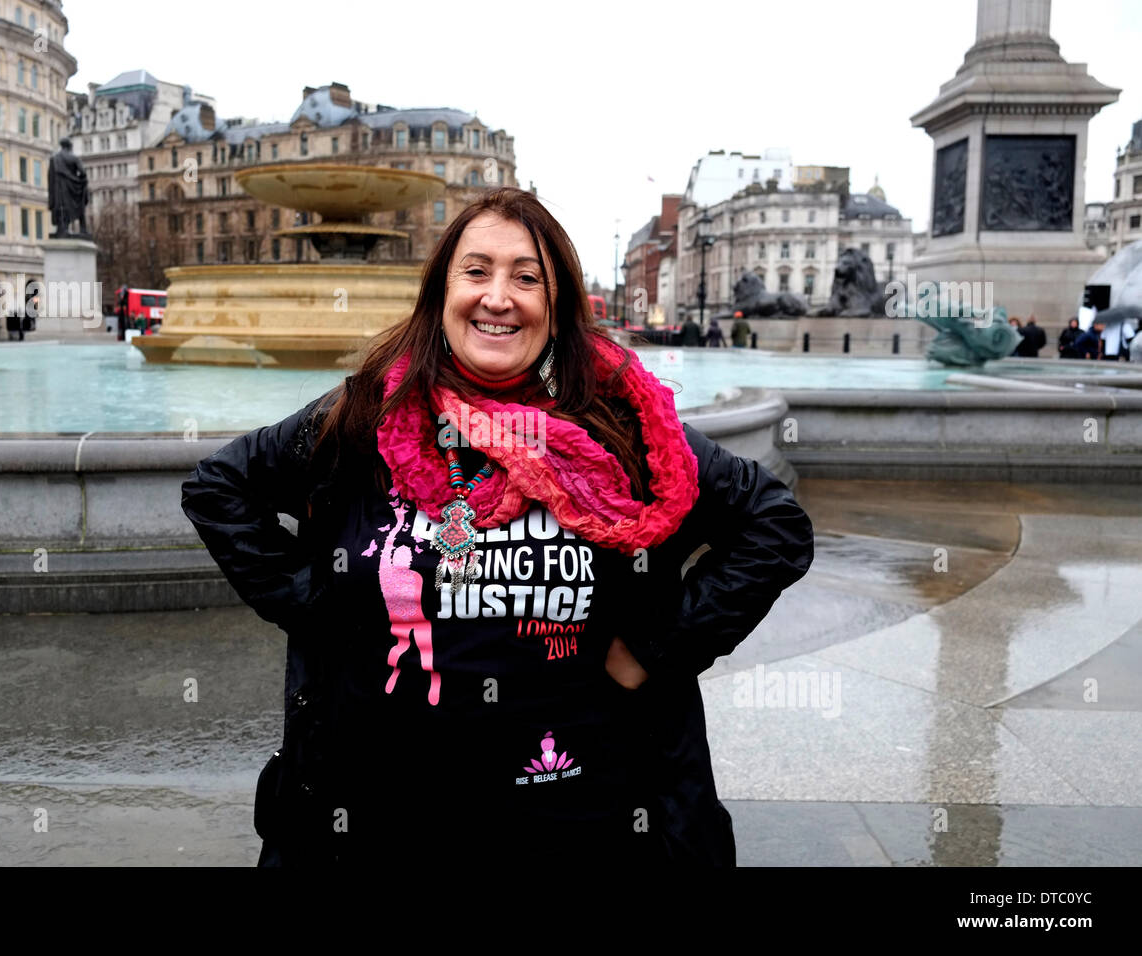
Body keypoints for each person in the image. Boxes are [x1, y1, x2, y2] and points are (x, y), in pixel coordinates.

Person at [181, 188, 814, 870]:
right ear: (441, 292)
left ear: (557, 303)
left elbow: (773, 525)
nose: (498, 297)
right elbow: (221, 487)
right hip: (382, 814)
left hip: (583, 813)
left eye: (526, 277)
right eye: (476, 271)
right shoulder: (368, 408)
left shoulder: (621, 422)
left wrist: (659, 646)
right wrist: (316, 606)